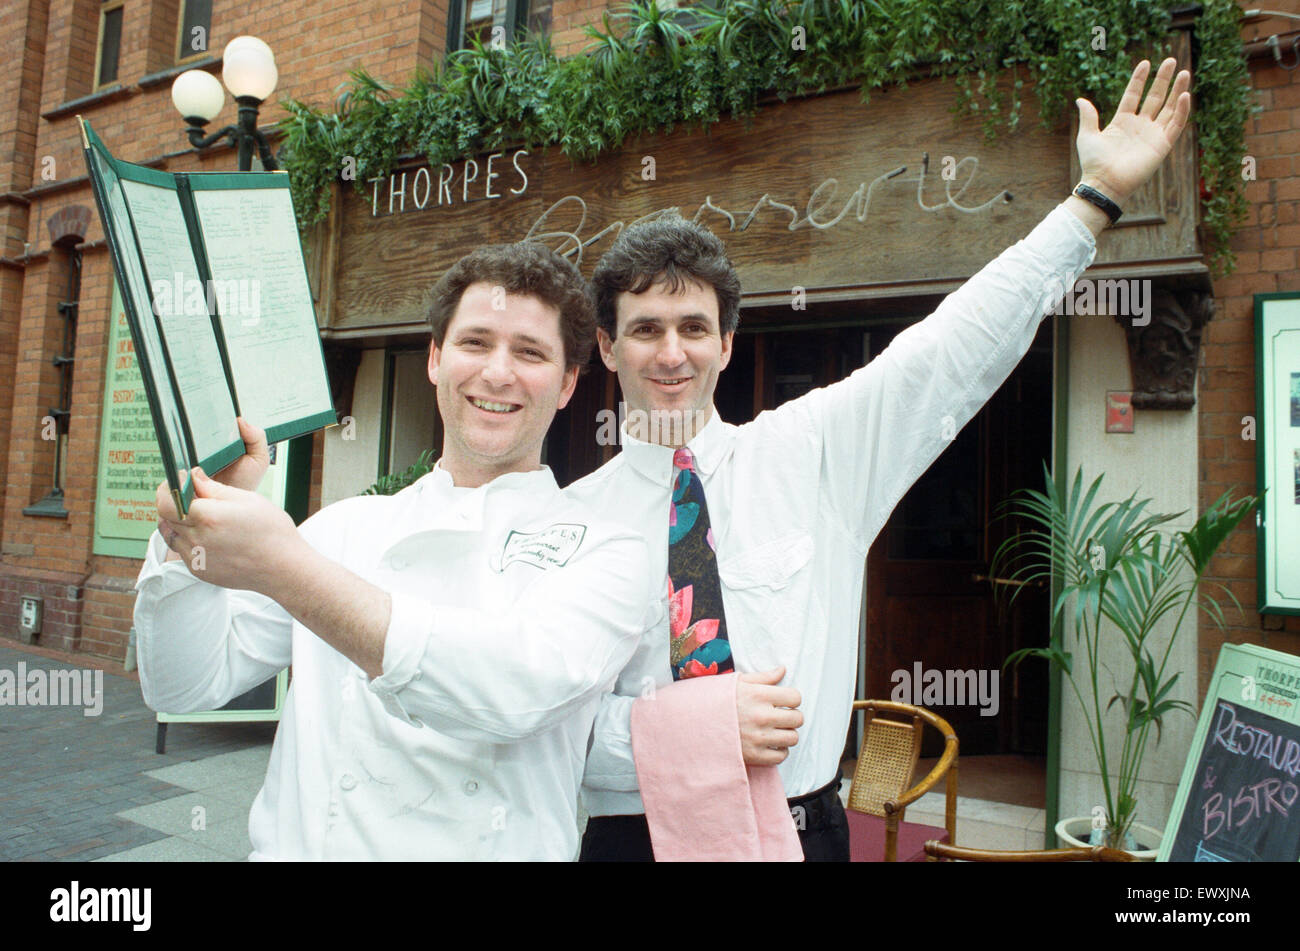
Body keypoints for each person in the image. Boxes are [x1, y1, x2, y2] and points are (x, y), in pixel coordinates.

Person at [568, 58, 1193, 861]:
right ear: (606, 345)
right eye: (646, 328)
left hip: (800, 832)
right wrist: (696, 731)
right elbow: (550, 725)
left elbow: (947, 350)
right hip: (632, 837)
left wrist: (1092, 203)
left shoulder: (812, 451)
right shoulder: (568, 520)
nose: (671, 353)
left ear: (727, 344)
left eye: (693, 327)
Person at [134, 242, 655, 860]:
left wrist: (284, 567)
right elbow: (182, 686)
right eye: (475, 342)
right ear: (436, 358)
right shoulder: (343, 528)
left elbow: (515, 691)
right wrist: (185, 543)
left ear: (568, 383)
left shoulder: (609, 551)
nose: (497, 372)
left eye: (530, 352)